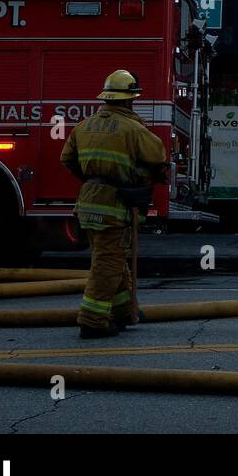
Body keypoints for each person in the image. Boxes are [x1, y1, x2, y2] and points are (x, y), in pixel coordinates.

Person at [60, 69, 167, 338]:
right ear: (130, 99)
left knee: (113, 258)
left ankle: (123, 312)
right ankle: (92, 320)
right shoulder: (134, 129)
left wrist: (94, 178)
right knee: (107, 263)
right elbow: (158, 158)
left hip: (88, 203)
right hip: (115, 206)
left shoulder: (84, 125)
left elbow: (67, 159)